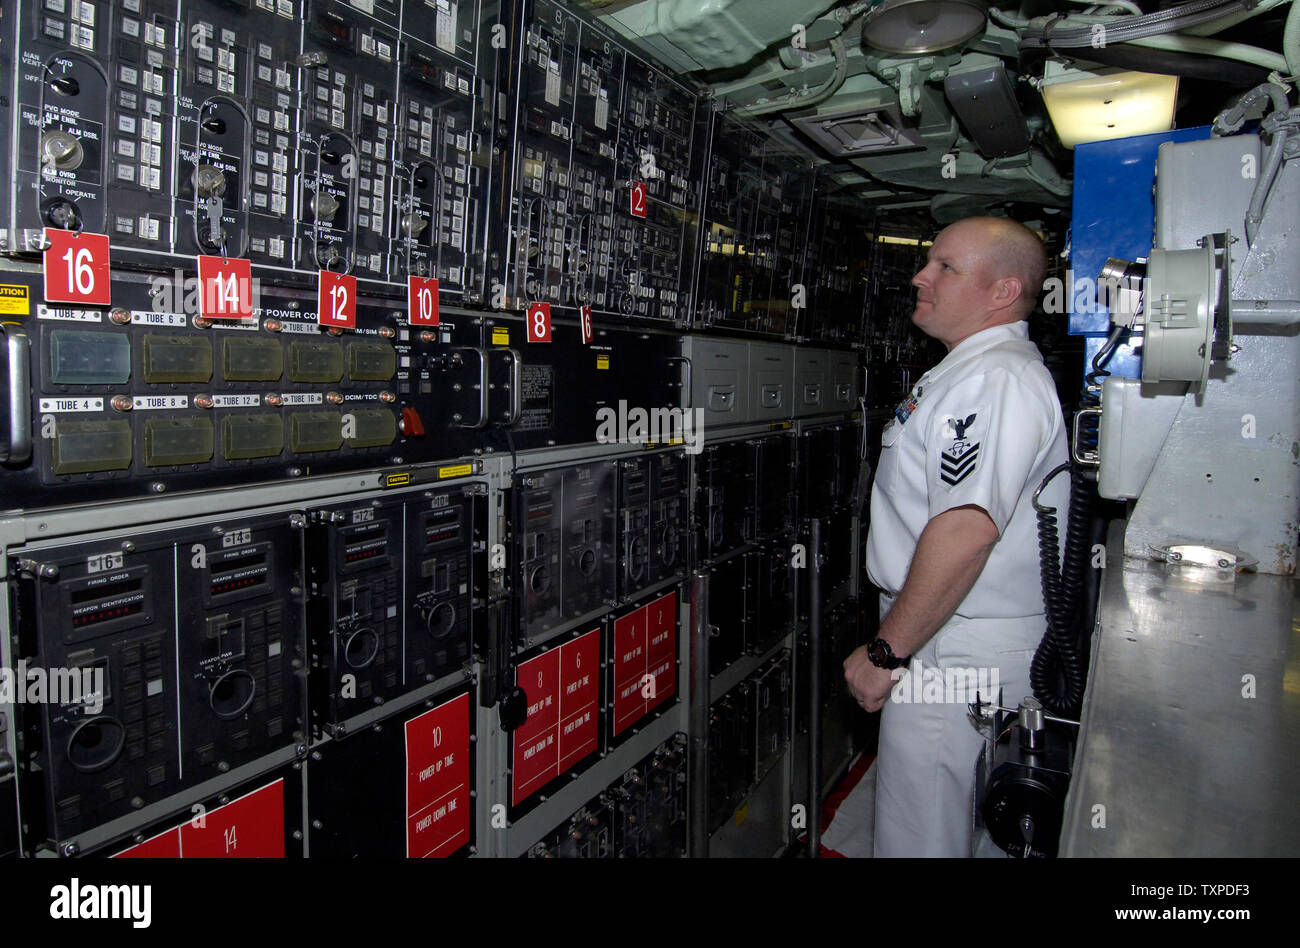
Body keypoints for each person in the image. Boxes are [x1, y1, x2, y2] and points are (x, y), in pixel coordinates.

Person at [843, 216, 1068, 857]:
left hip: (951, 649)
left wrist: (887, 652)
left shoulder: (992, 380)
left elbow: (966, 531)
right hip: (954, 637)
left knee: (921, 839)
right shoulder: (974, 371)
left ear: (1002, 291)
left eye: (945, 266)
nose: (921, 275)